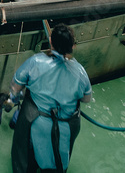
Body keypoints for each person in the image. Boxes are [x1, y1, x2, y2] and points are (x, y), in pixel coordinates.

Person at [9, 24, 93, 173]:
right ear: (72, 46)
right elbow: (86, 99)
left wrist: (12, 99)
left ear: (50, 41)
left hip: (36, 121)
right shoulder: (80, 72)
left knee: (25, 159)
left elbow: (16, 87)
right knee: (57, 163)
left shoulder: (35, 62)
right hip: (65, 127)